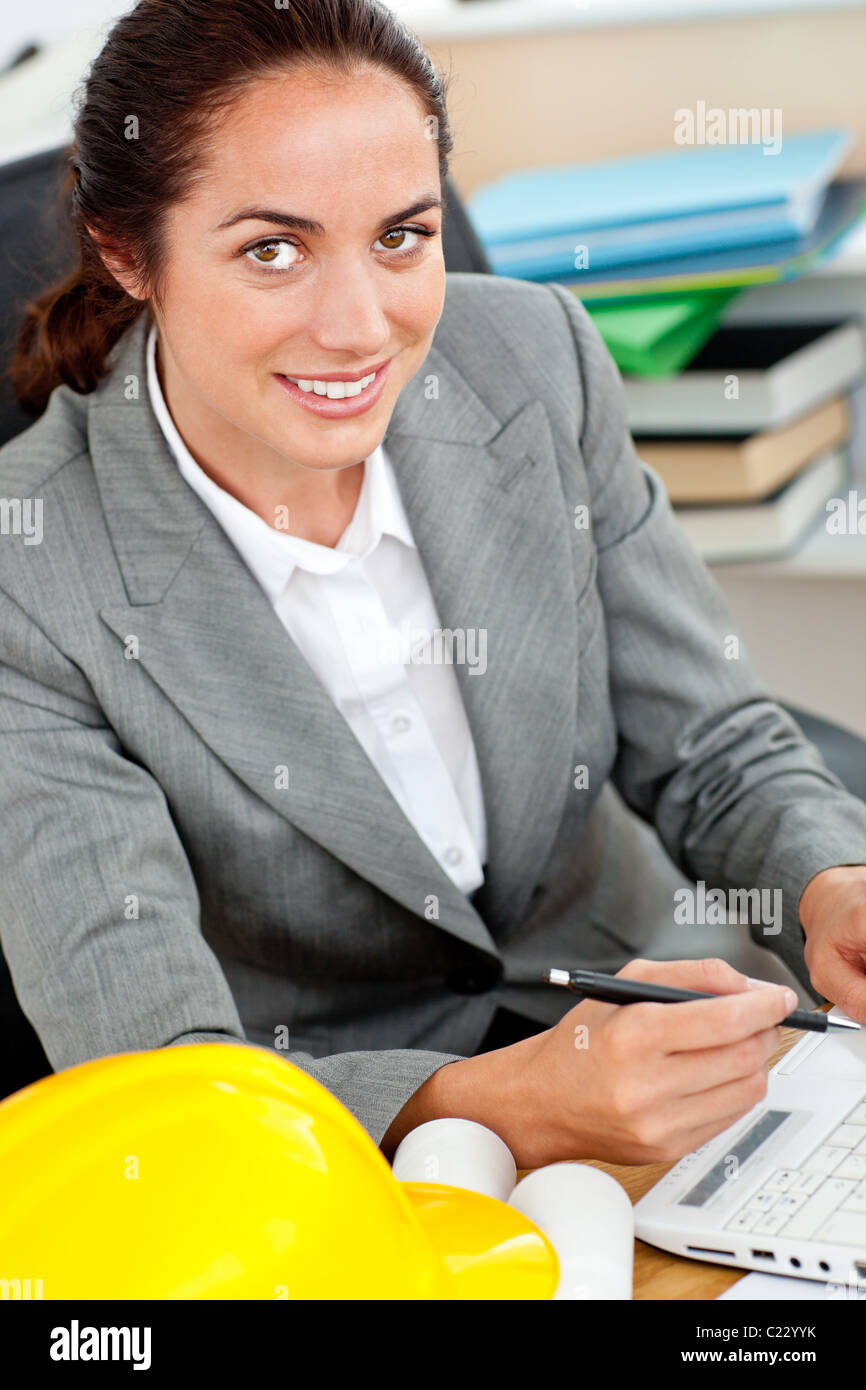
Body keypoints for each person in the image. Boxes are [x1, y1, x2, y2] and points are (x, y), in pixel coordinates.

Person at [2, 0, 865, 1172]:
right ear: (124, 251)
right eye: (273, 249)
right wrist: (502, 1102)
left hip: (669, 1023)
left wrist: (824, 885)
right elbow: (159, 1077)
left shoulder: (534, 359)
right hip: (328, 1145)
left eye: (401, 236)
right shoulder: (31, 570)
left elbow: (709, 742)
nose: (361, 329)